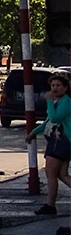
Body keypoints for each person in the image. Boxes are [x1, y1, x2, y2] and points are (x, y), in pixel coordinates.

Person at [27, 71, 71, 216]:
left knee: (50, 172)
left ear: (65, 88)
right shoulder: (57, 101)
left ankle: (50, 205)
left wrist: (49, 102)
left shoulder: (66, 102)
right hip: (55, 141)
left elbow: (55, 118)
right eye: (53, 85)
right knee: (62, 174)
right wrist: (34, 132)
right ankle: (50, 205)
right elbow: (47, 121)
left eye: (58, 85)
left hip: (61, 141)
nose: (55, 88)